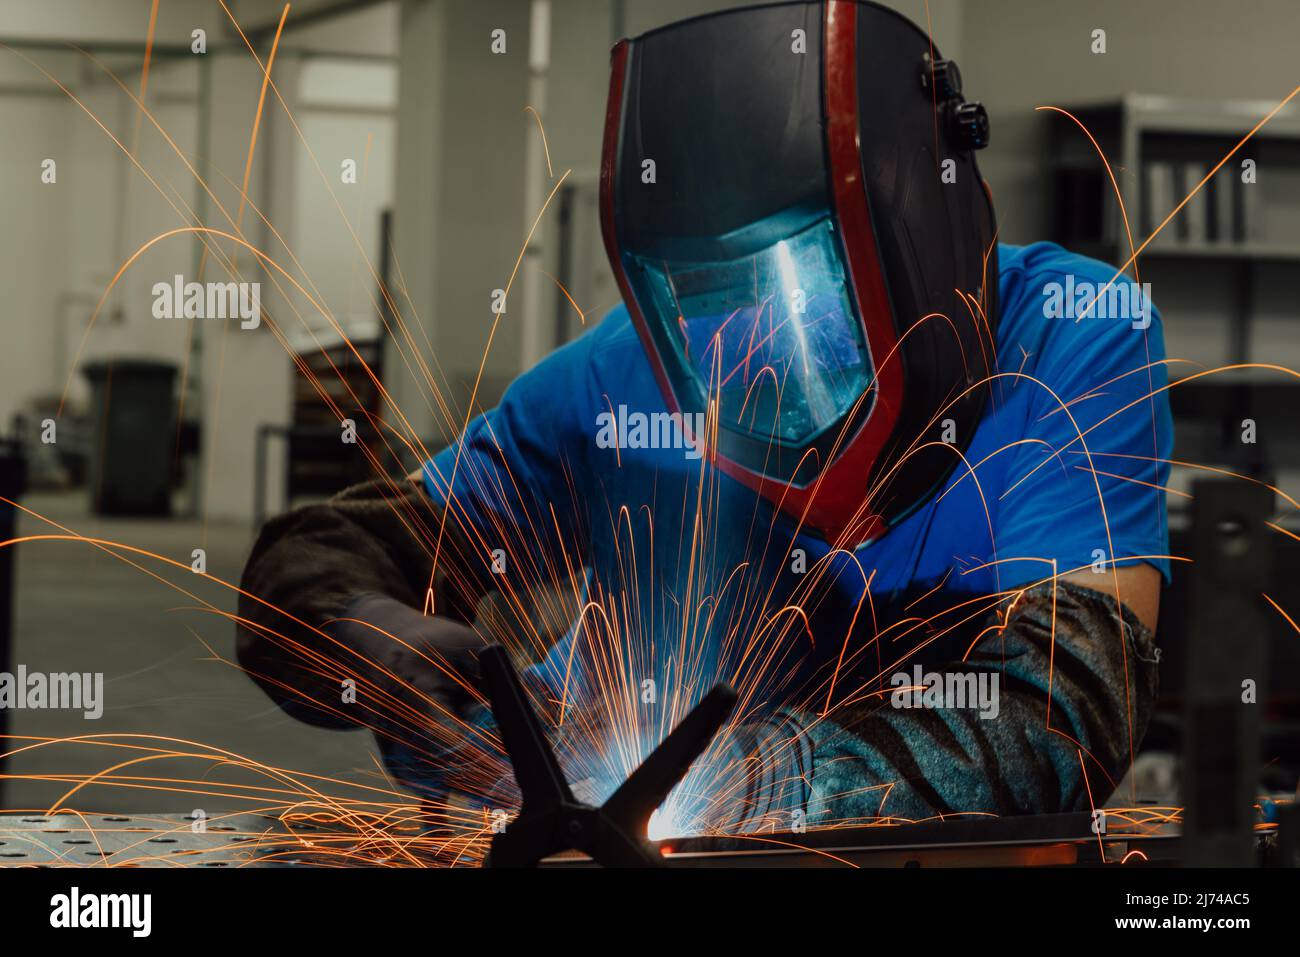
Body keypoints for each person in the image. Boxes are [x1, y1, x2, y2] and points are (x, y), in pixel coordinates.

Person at [237, 0, 1169, 833]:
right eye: (713, 304)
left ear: (923, 230)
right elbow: (328, 556)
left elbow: (1062, 716)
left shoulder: (1070, 339)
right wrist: (387, 649)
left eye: (807, 303)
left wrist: (751, 787)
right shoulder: (629, 370)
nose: (759, 352)